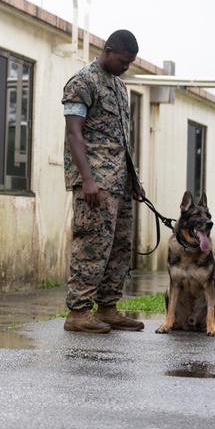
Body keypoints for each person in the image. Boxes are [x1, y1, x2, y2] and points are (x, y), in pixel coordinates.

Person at [61, 29, 146, 334]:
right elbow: (74, 133)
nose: (127, 67)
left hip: (119, 182)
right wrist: (87, 180)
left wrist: (133, 180)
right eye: (124, 61)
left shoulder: (120, 87)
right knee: (91, 245)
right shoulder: (83, 82)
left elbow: (122, 139)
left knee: (119, 247)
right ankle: (78, 311)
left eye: (130, 62)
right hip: (94, 183)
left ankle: (108, 307)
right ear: (108, 52)